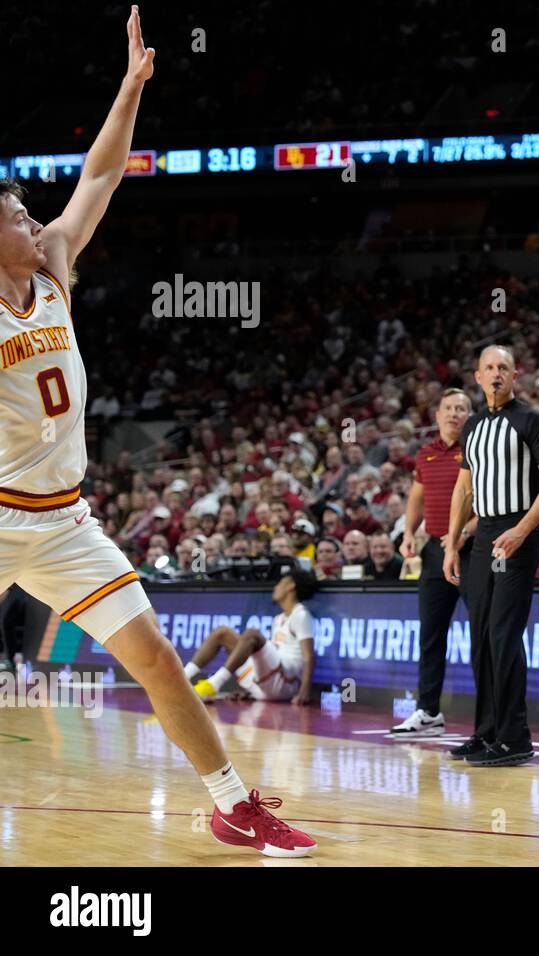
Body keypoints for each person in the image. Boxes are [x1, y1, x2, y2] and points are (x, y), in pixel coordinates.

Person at [0, 9, 312, 857]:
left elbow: (100, 176)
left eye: (31, 214)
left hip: (65, 522)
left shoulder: (55, 264)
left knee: (159, 661)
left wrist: (130, 88)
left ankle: (231, 803)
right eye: (17, 217)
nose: (34, 223)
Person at [444, 345, 539, 767]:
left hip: (518, 532)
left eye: (504, 368)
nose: (496, 374)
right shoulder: (473, 425)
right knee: (480, 636)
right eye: (489, 368)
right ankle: (486, 732)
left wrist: (521, 529)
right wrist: (451, 540)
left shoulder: (533, 420)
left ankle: (516, 737)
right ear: (477, 378)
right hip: (485, 537)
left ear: (516, 375)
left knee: (503, 633)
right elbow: (464, 488)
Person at [390, 389, 475, 736]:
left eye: (461, 409)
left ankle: (491, 718)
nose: (454, 414)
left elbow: (488, 498)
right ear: (437, 416)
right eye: (448, 409)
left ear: (469, 415)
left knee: (482, 634)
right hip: (434, 549)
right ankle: (428, 712)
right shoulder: (424, 454)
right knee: (430, 634)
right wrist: (409, 531)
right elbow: (416, 496)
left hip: (471, 550)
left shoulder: (476, 450)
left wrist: (467, 531)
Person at [188, 568, 318, 707]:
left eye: (280, 583)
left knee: (252, 635)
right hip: (268, 683)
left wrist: (305, 690)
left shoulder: (301, 615)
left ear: (291, 586)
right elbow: (266, 659)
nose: (275, 587)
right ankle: (182, 677)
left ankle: (213, 685)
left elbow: (309, 656)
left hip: (286, 683)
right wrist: (249, 690)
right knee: (222, 633)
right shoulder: (278, 619)